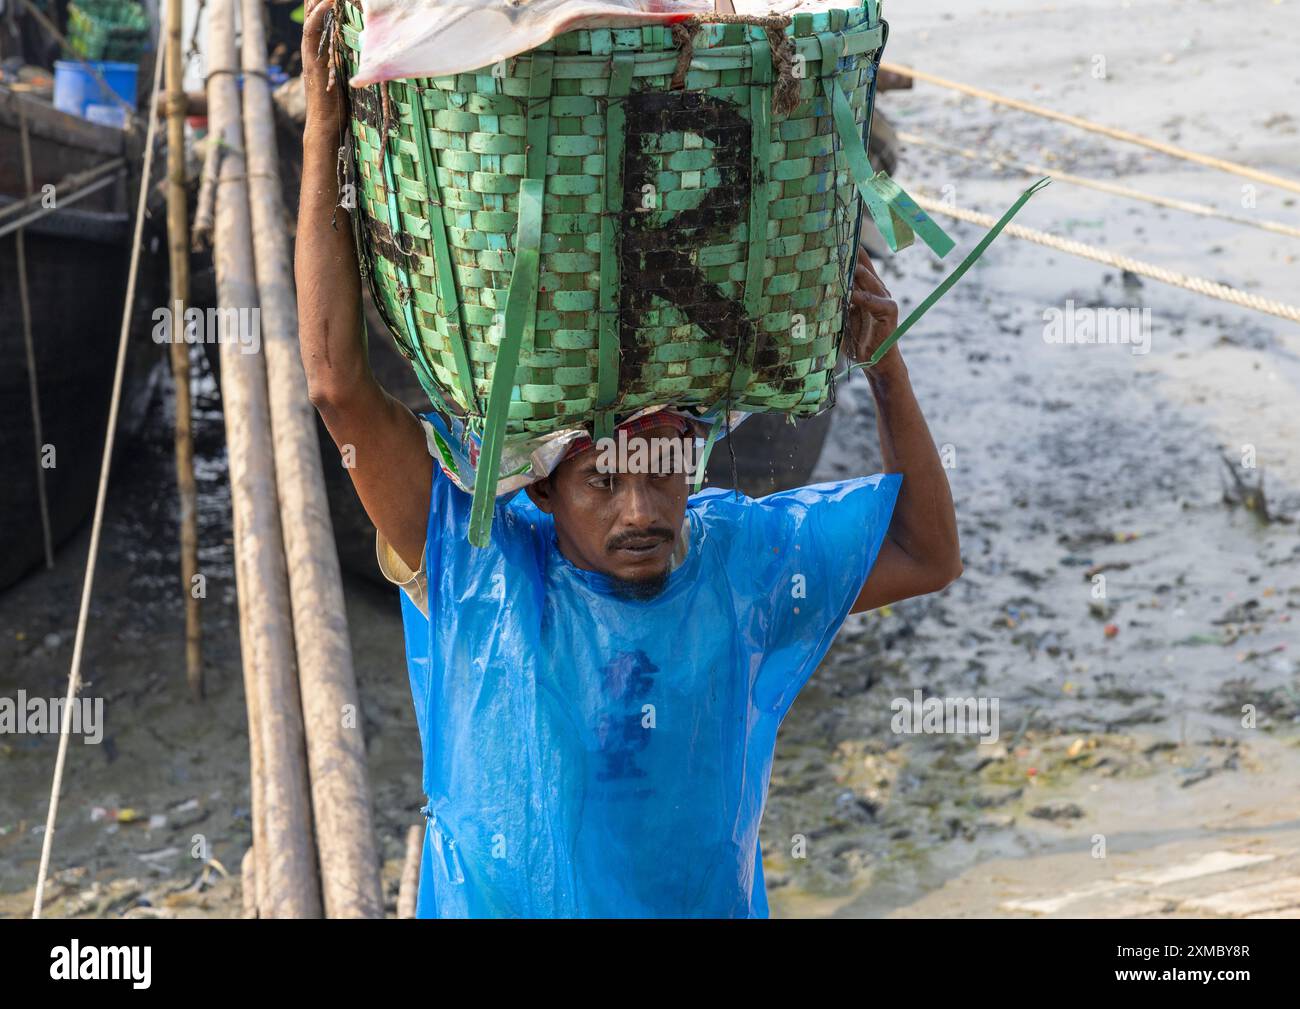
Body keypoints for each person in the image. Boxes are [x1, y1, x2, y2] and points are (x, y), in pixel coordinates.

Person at [296, 1, 960, 917]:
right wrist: (325, 131)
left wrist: (884, 366)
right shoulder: (475, 563)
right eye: (603, 481)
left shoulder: (746, 562)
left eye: (661, 470)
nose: (640, 509)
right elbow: (337, 388)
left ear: (695, 464)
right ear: (541, 488)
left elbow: (930, 557)